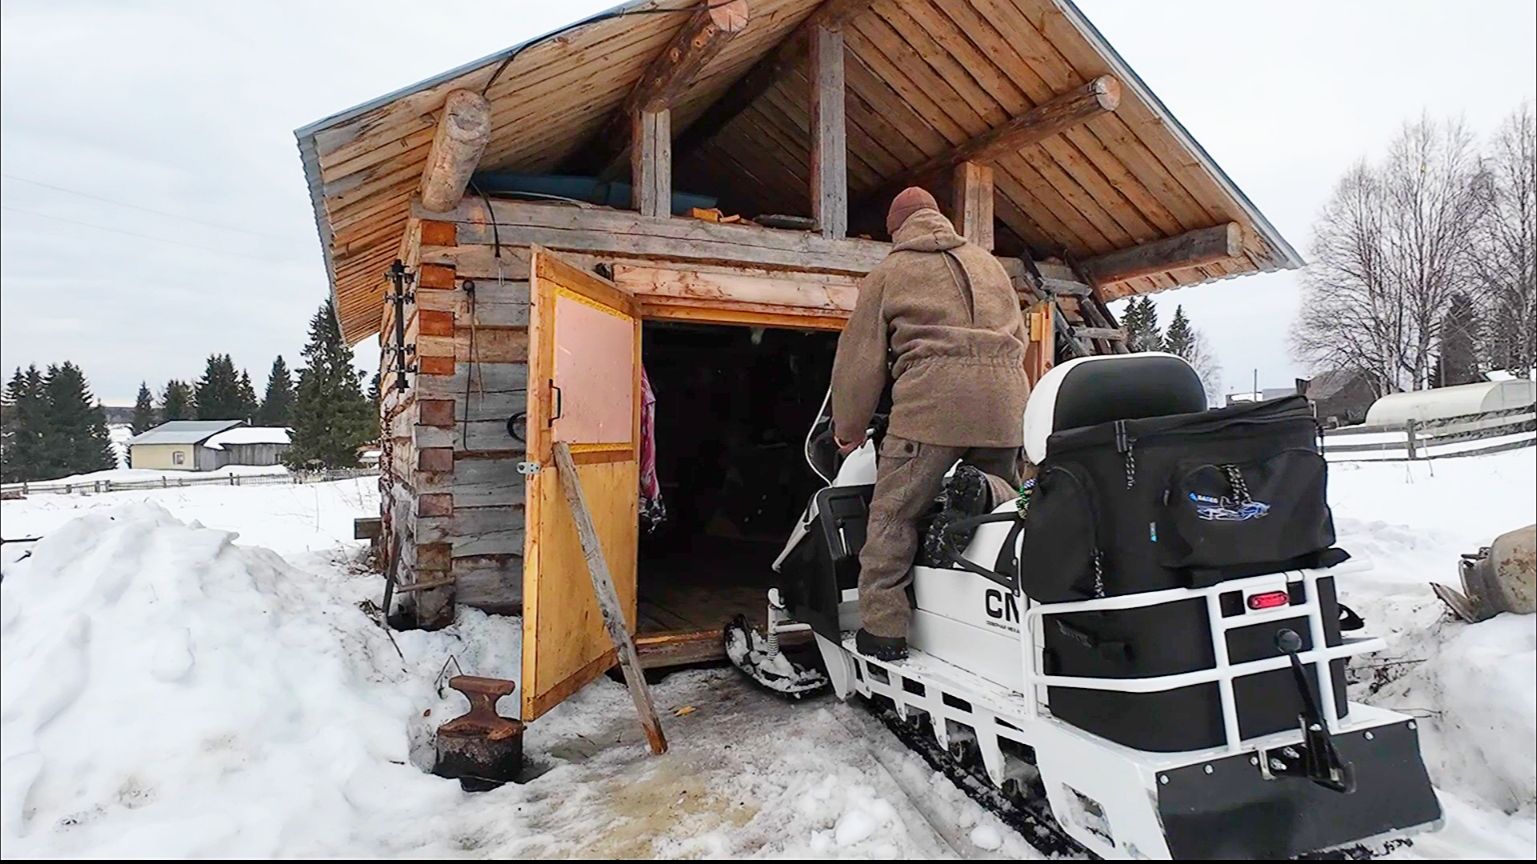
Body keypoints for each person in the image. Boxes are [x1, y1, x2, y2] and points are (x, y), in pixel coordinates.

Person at [830, 186, 1030, 660]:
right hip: (1006, 404)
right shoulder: (989, 265)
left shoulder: (889, 272)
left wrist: (849, 430)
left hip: (933, 405)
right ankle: (997, 619)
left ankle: (884, 631)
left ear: (895, 229)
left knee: (894, 516)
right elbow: (1019, 337)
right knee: (1001, 515)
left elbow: (860, 360)